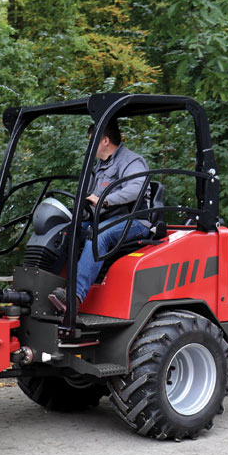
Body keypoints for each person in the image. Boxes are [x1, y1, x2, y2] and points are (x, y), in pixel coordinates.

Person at [49, 119, 150, 312]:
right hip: (103, 219)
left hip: (134, 220)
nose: (89, 146)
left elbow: (136, 189)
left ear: (105, 140)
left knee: (98, 234)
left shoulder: (131, 161)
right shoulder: (98, 167)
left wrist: (105, 200)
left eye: (91, 141)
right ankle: (44, 287)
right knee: (65, 231)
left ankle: (73, 298)